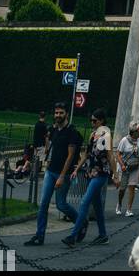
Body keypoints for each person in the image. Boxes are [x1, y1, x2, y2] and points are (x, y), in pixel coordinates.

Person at [25, 101, 81, 245]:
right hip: (51, 172)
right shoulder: (55, 130)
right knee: (43, 203)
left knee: (61, 205)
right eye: (56, 113)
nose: (58, 115)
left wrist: (62, 176)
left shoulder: (72, 132)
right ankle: (39, 236)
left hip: (63, 174)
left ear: (66, 114)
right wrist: (48, 161)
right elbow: (52, 148)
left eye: (61, 113)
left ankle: (81, 222)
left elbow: (70, 155)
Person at [62, 108, 117, 249]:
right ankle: (103, 235)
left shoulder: (107, 135)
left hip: (101, 174)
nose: (92, 123)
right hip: (91, 173)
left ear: (102, 121)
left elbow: (110, 155)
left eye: (95, 120)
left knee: (84, 202)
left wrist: (115, 175)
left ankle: (73, 236)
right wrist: (76, 169)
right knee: (97, 207)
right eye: (91, 120)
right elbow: (86, 154)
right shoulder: (93, 135)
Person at [115, 122, 139, 217]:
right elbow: (117, 154)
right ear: (133, 132)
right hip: (125, 167)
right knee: (122, 189)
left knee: (132, 187)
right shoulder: (124, 140)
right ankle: (119, 204)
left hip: (135, 167)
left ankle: (129, 209)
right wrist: (122, 165)